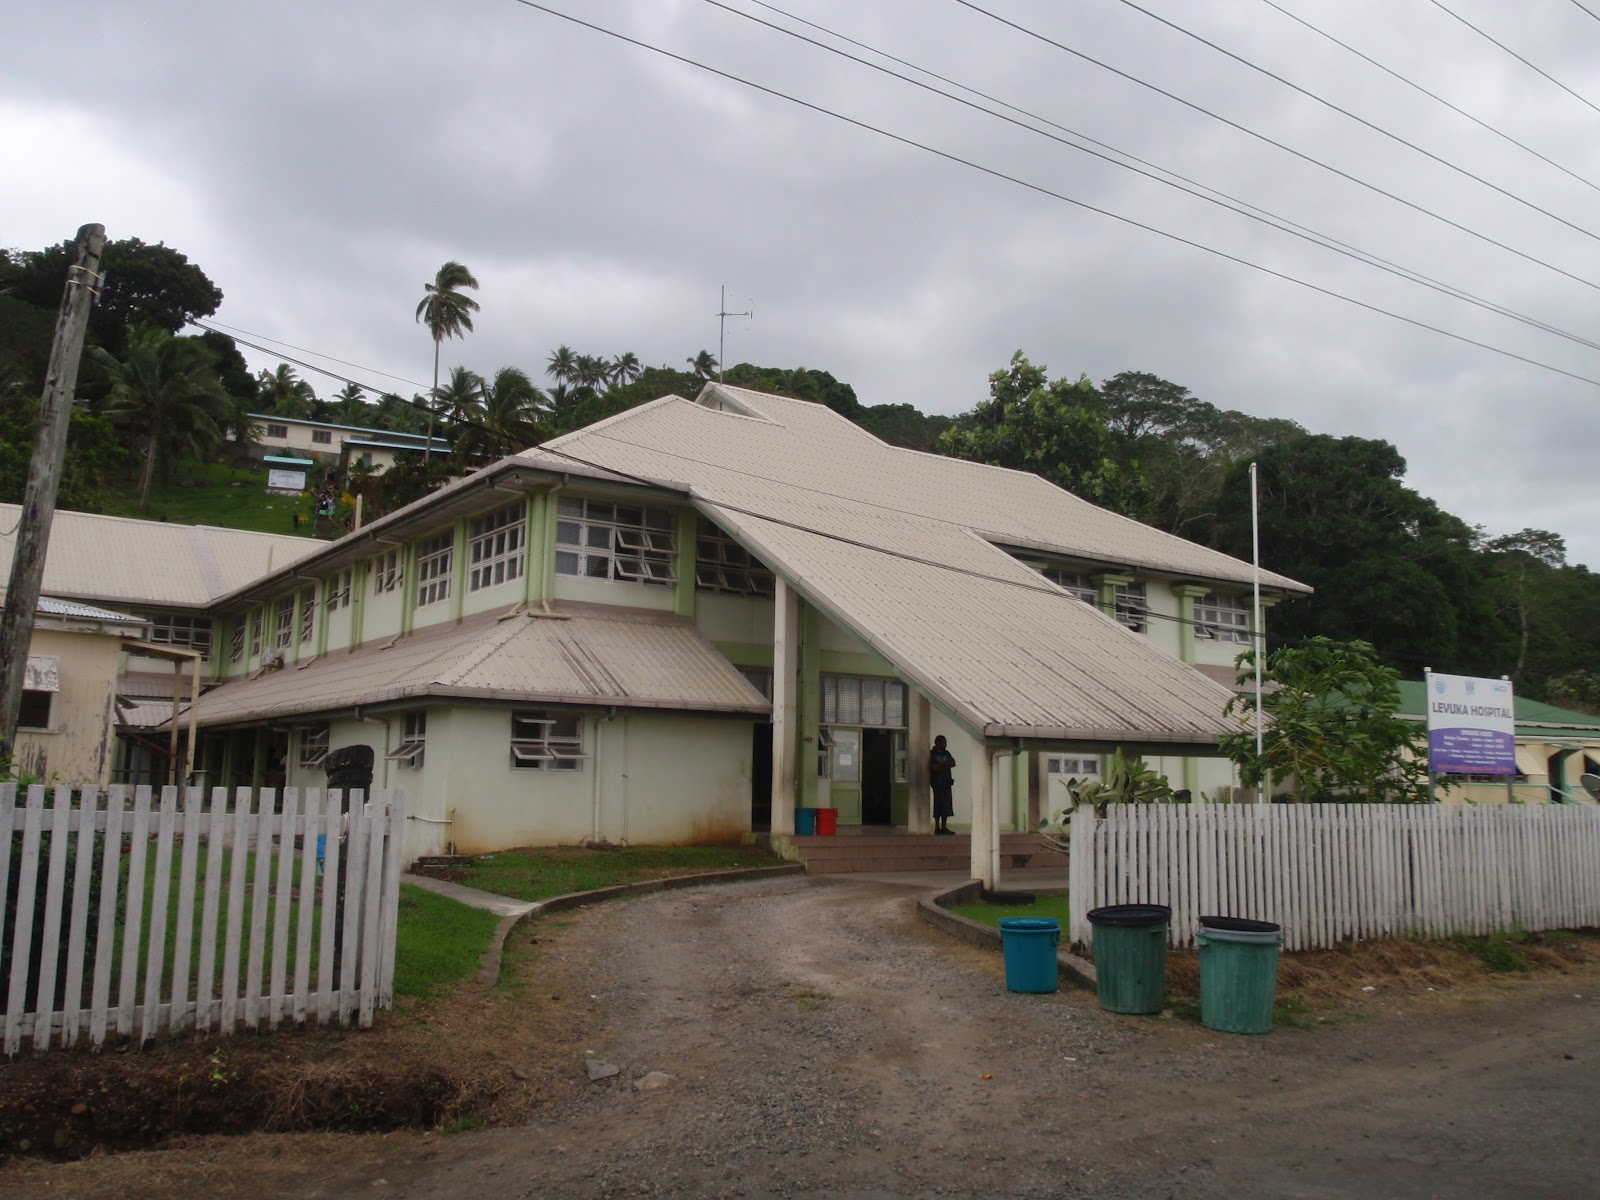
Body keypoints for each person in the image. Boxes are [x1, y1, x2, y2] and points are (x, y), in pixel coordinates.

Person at [930, 735, 957, 835]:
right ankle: (937, 827)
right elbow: (934, 767)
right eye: (943, 742)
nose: (945, 745)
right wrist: (945, 764)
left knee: (946, 805)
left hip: (946, 782)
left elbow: (953, 763)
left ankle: (944, 827)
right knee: (938, 805)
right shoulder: (932, 754)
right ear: (937, 742)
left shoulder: (946, 753)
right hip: (937, 783)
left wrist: (942, 764)